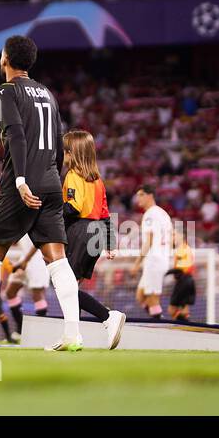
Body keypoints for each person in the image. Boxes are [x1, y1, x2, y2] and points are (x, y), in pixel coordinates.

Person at [0, 35, 83, 352]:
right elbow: (59, 142)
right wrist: (54, 178)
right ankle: (73, 334)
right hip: (51, 181)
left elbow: (16, 136)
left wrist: (21, 179)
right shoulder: (47, 94)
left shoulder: (5, 91)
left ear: (5, 58)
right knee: (58, 261)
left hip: (20, 183)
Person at [61, 129, 124, 347]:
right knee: (72, 287)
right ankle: (73, 336)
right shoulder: (97, 180)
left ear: (72, 153)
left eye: (64, 152)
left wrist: (51, 214)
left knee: (65, 287)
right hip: (96, 234)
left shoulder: (71, 176)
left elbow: (73, 207)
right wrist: (110, 242)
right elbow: (105, 213)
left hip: (80, 231)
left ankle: (108, 317)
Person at [133, 186, 173, 318]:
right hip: (161, 258)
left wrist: (137, 263)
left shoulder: (149, 214)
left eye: (141, 195)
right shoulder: (163, 213)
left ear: (150, 196)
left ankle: (159, 325)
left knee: (152, 298)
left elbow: (148, 241)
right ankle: (156, 317)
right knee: (140, 296)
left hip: (154, 259)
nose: (138, 198)